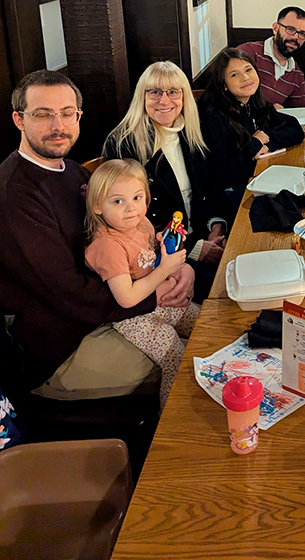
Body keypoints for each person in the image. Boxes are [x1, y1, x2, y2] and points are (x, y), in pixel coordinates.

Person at [0, 70, 195, 400]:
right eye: (43, 114)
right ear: (19, 119)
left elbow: (131, 231)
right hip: (64, 345)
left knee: (207, 328)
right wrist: (154, 292)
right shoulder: (15, 195)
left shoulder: (72, 171)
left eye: (67, 113)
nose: (58, 126)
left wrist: (180, 266)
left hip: (113, 308)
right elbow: (66, 293)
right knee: (188, 359)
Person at [103, 61, 225, 301]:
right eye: (154, 92)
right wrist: (194, 248)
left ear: (184, 97)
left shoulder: (192, 131)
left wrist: (216, 226)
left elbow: (210, 185)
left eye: (173, 92)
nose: (164, 100)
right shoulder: (123, 143)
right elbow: (128, 220)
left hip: (203, 237)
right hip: (158, 260)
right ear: (142, 97)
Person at [84, 159, 199, 407]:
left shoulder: (141, 222)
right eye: (118, 201)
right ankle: (170, 417)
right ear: (97, 207)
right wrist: (165, 269)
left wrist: (168, 247)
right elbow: (126, 298)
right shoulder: (108, 246)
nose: (131, 209)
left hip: (160, 300)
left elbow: (152, 259)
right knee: (174, 357)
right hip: (134, 318)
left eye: (137, 198)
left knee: (204, 324)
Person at [199, 48, 305, 221]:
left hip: (255, 181)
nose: (245, 78)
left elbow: (294, 128)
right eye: (234, 75)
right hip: (227, 198)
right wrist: (255, 143)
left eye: (248, 70)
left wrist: (269, 144)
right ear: (223, 84)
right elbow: (225, 171)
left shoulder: (253, 102)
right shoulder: (215, 117)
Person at [238, 7, 305, 109]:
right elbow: (224, 91)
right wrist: (266, 109)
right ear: (275, 28)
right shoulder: (248, 52)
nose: (295, 37)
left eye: (302, 34)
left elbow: (299, 112)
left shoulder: (297, 75)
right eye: (290, 29)